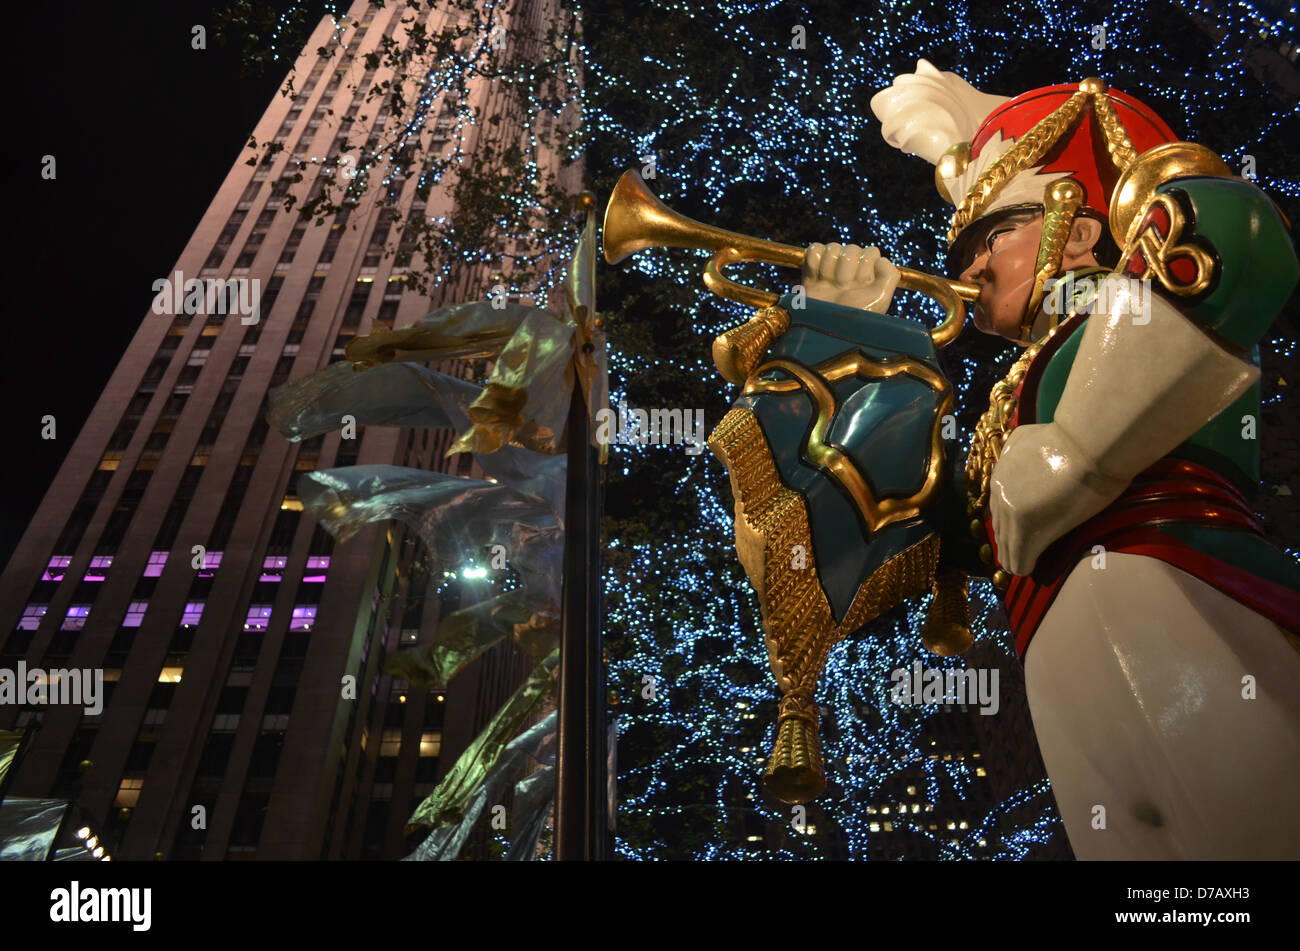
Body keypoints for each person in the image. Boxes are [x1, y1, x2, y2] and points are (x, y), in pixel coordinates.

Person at [798, 61, 1300, 859]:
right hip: (1065, 684)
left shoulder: (1121, 305)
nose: (965, 269)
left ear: (1079, 226)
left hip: (1185, 597)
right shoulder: (1014, 396)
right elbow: (885, 528)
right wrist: (843, 336)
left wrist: (1077, 452)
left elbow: (1233, 230)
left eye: (992, 235)